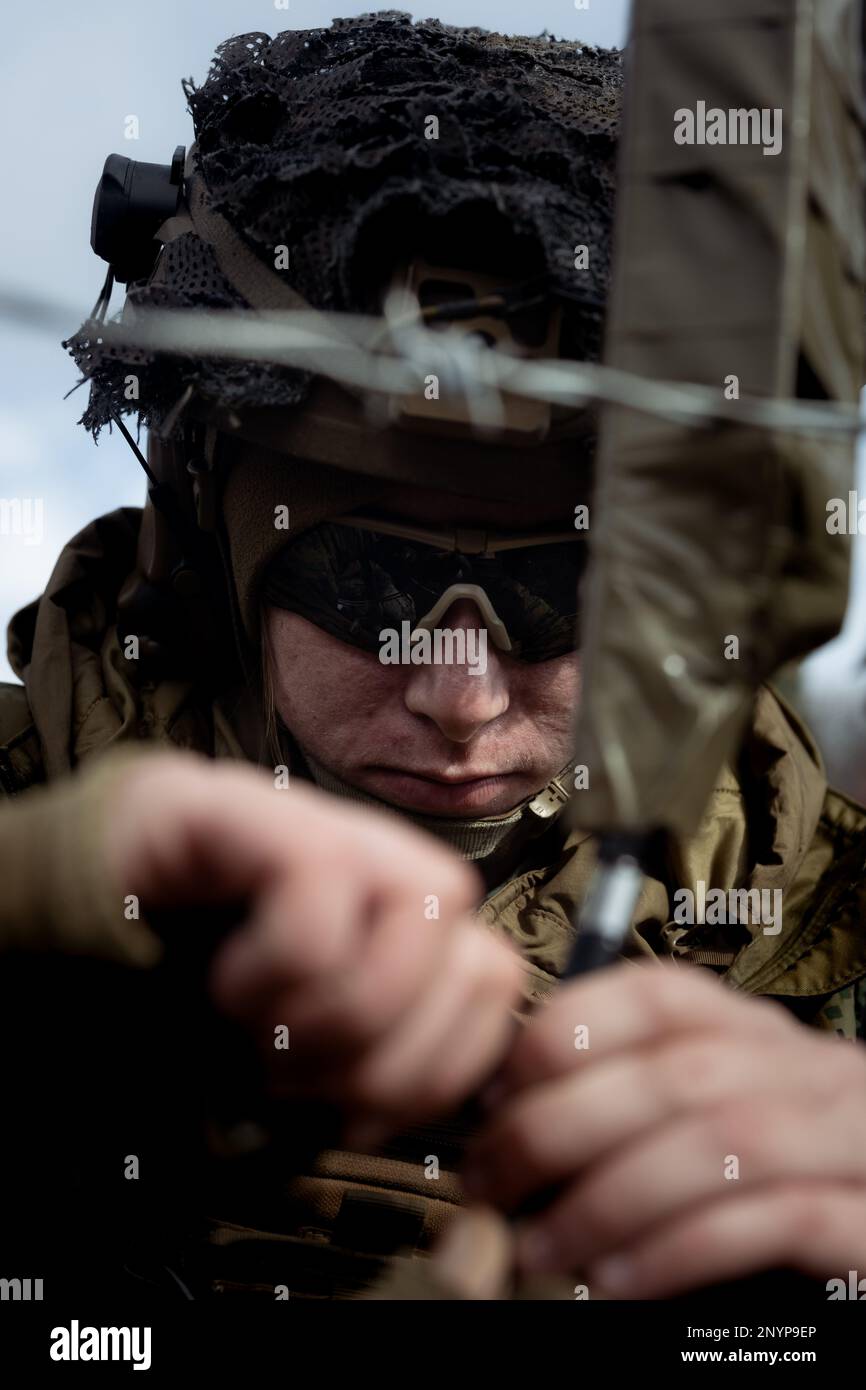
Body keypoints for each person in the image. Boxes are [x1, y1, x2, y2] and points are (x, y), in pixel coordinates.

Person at [1, 14, 866, 1302]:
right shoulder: (37, 855)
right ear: (209, 537)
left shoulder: (833, 929)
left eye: (554, 590)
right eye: (369, 581)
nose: (460, 698)